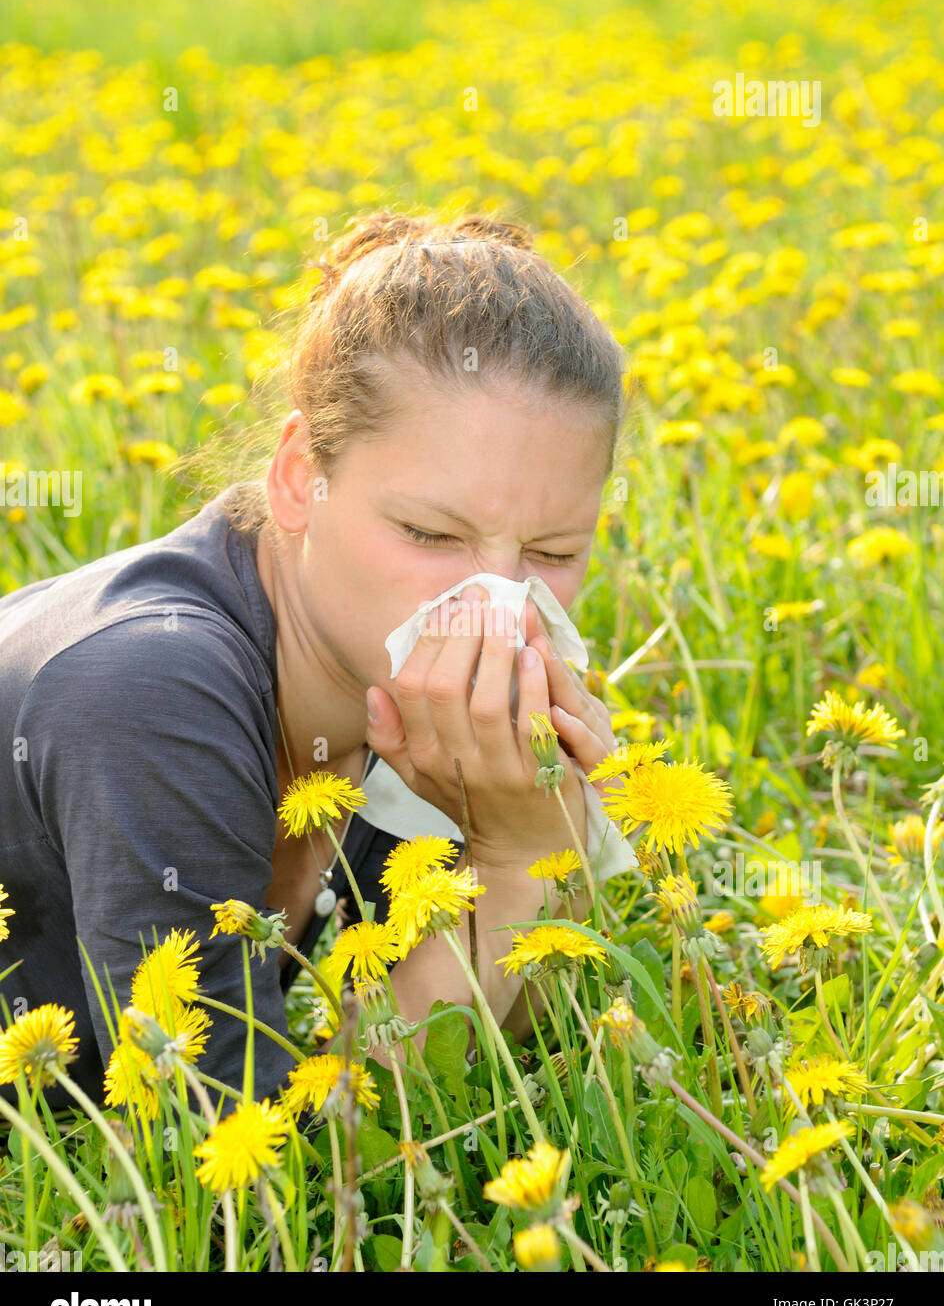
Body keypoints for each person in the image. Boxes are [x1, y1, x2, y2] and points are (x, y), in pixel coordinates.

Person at [0, 208, 630, 1119]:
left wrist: (542, 847)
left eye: (555, 551)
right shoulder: (150, 694)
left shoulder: (387, 688)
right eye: (429, 532)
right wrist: (516, 864)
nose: (492, 603)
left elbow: (453, 1046)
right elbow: (234, 1163)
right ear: (299, 478)